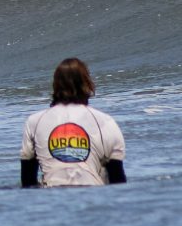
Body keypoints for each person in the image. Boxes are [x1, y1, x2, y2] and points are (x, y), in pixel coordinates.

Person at [20, 58, 126, 188]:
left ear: (55, 85)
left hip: (50, 198)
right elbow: (118, 181)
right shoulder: (106, 121)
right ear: (87, 84)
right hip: (93, 196)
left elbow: (27, 181)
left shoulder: (34, 122)